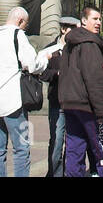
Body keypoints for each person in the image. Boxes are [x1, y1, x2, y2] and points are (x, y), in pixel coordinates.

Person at [0, 6, 48, 177]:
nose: (25, 28)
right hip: (13, 101)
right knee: (22, 148)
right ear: (20, 21)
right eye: (25, 24)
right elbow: (32, 64)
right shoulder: (18, 35)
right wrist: (44, 60)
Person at [59, 4, 103, 177]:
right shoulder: (90, 44)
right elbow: (94, 79)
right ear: (84, 21)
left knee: (74, 150)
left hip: (71, 105)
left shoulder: (69, 44)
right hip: (90, 107)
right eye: (94, 19)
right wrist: (102, 111)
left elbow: (64, 75)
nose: (98, 22)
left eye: (100, 19)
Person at [39, 15, 80, 177]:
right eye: (72, 29)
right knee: (56, 141)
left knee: (73, 142)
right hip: (57, 101)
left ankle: (69, 172)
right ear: (63, 29)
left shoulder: (78, 49)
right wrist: (56, 73)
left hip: (75, 101)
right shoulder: (50, 50)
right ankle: (55, 173)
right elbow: (42, 73)